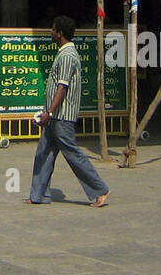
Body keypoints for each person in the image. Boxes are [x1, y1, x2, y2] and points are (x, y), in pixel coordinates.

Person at [26, 16, 110, 207]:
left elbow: (62, 87)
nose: (51, 32)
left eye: (53, 30)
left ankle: (100, 189)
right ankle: (38, 195)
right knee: (43, 153)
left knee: (72, 152)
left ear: (60, 33)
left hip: (62, 116)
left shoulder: (67, 56)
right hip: (54, 116)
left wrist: (50, 112)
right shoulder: (63, 53)